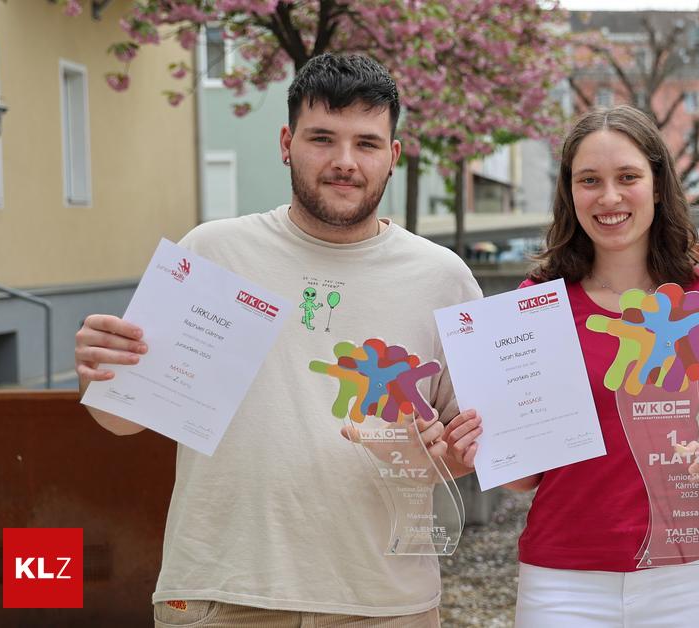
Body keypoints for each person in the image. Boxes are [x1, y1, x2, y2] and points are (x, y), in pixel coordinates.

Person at [74, 53, 480, 627]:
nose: (344, 162)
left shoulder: (442, 277)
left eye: (366, 144)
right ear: (287, 141)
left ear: (392, 156)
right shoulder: (211, 254)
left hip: (383, 602)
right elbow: (123, 419)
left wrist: (453, 455)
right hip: (223, 594)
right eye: (322, 139)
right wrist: (101, 375)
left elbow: (464, 450)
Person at [442, 105, 699, 627]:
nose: (609, 197)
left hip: (687, 577)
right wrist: (484, 446)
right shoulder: (534, 305)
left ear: (656, 185)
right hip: (562, 581)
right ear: (570, 192)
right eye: (590, 180)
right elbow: (525, 479)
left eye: (627, 177)